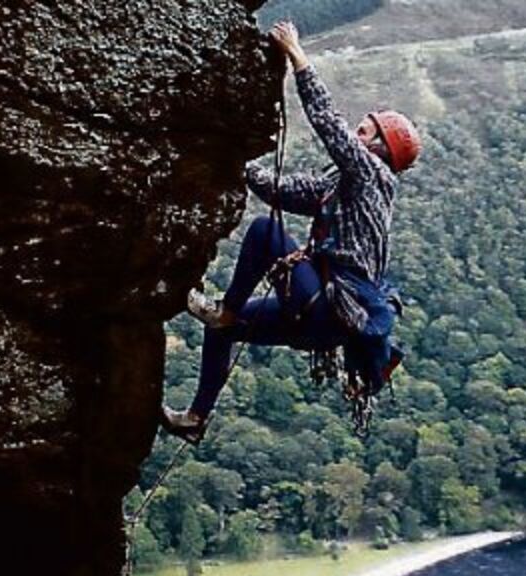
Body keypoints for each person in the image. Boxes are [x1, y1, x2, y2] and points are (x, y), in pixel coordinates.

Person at [160, 21, 421, 444]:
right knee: (223, 330)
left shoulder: (372, 175)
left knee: (264, 232)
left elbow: (330, 127)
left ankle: (226, 308)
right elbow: (282, 190)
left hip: (326, 305)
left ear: (380, 149)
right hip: (322, 320)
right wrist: (234, 161)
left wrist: (298, 57)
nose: (358, 130)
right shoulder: (343, 183)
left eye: (367, 130)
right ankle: (194, 418)